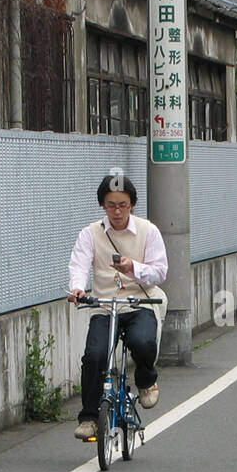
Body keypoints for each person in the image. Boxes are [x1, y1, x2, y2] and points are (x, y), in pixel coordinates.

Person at [67, 170, 168, 441]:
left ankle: (146, 380)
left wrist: (132, 267)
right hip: (105, 304)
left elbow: (161, 272)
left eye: (122, 204)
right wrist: (78, 288)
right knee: (94, 356)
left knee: (143, 341)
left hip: (139, 301)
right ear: (103, 205)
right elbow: (79, 264)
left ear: (131, 204)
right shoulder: (91, 233)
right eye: (110, 204)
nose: (117, 210)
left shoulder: (148, 231)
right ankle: (89, 418)